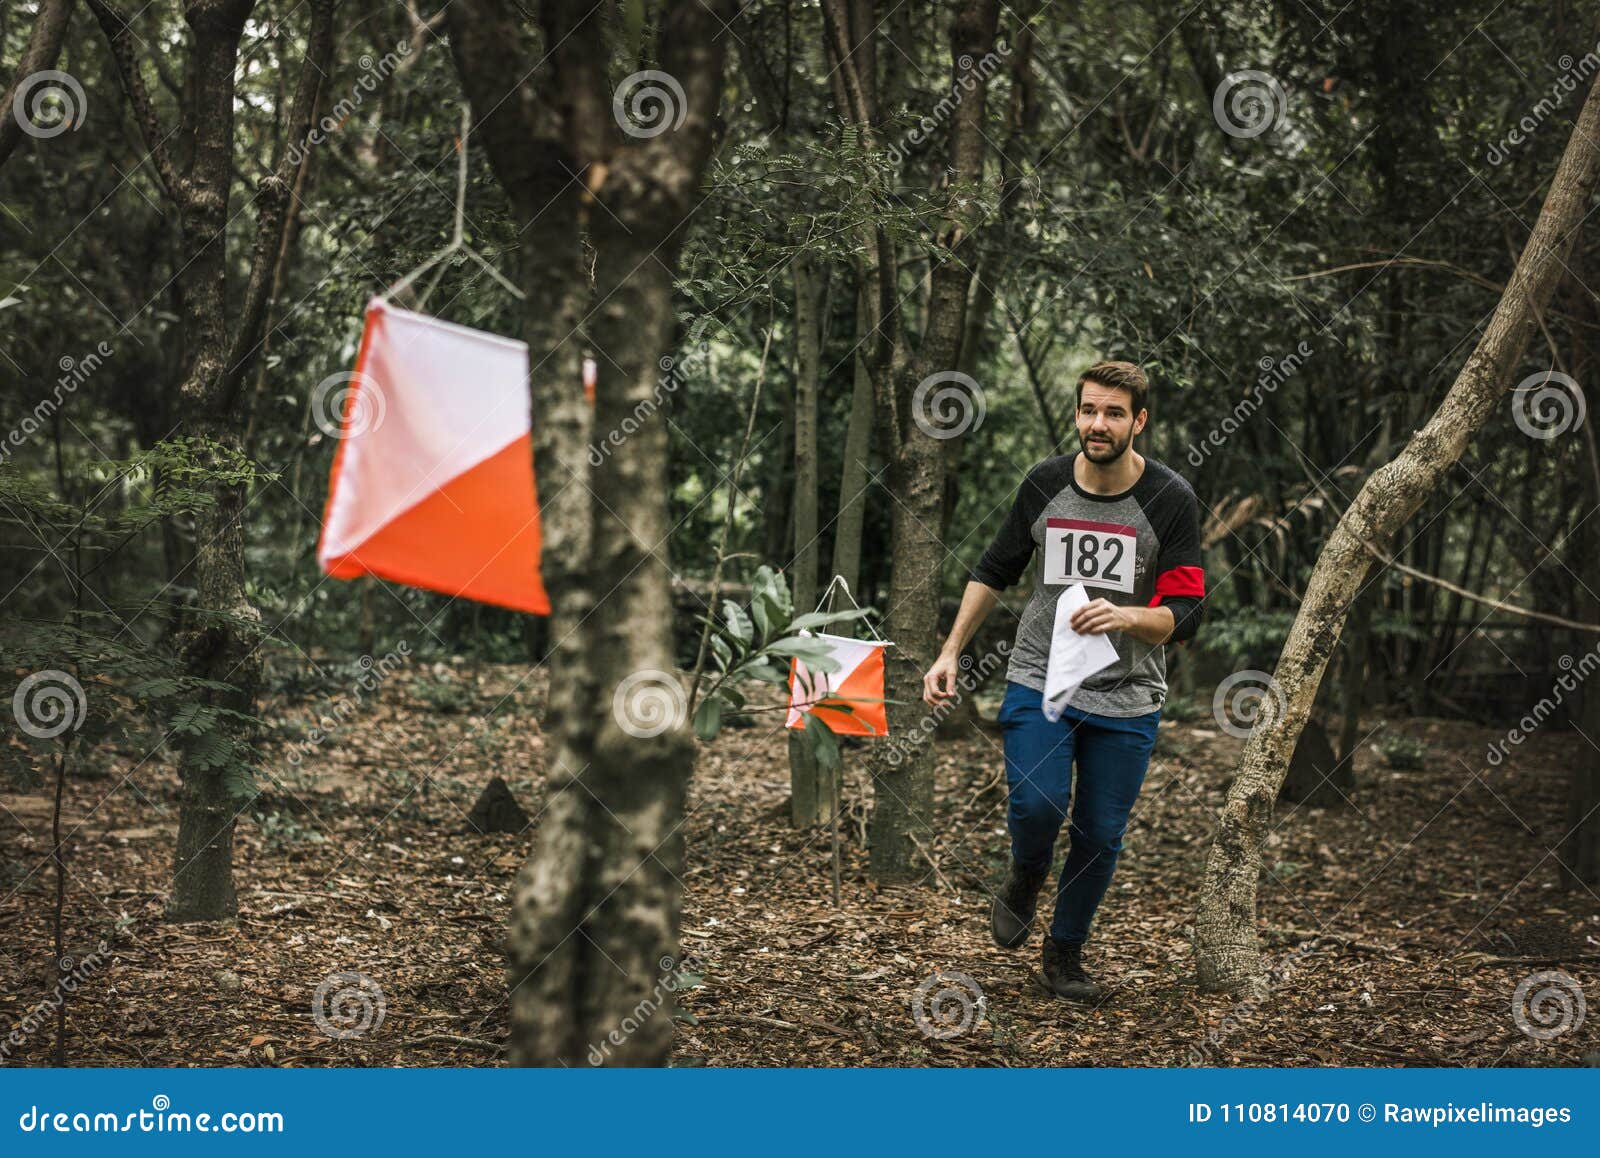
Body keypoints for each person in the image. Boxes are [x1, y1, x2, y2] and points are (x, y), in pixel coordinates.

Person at [923, 360, 1205, 1001]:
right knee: (1037, 805)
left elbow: (1187, 614)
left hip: (1127, 696)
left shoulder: (1170, 500)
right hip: (1038, 677)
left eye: (1112, 413)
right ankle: (1025, 872)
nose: (1097, 424)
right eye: (1087, 410)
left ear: (1140, 420)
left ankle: (1064, 954)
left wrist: (1129, 614)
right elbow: (994, 569)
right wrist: (949, 652)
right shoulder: (1044, 483)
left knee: (1101, 834)